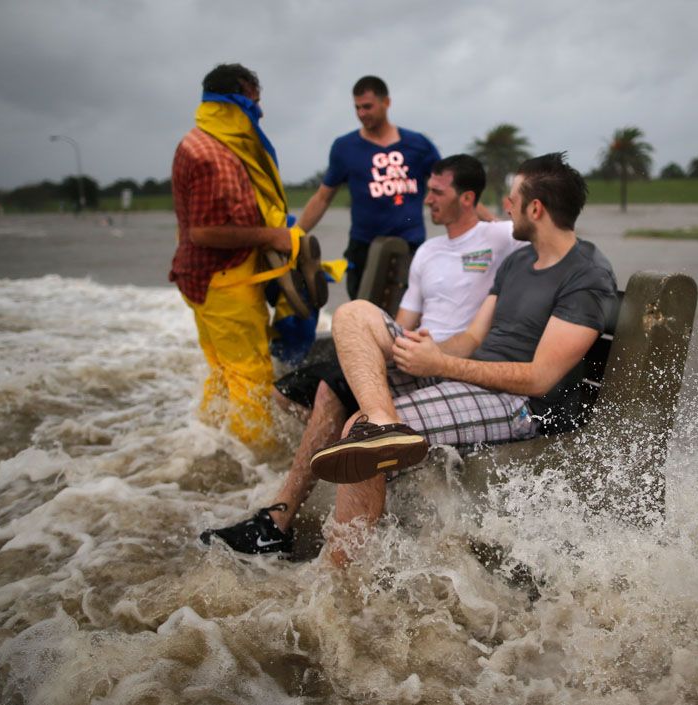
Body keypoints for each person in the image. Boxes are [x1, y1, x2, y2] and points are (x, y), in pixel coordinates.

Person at [200, 154, 523, 554]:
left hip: (450, 360)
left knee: (330, 396)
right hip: (411, 351)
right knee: (289, 388)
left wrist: (494, 215)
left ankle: (279, 519)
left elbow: (546, 230)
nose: (426, 200)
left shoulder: (499, 237)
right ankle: (301, 494)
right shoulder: (427, 252)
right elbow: (402, 320)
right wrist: (390, 347)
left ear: (468, 198)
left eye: (437, 192)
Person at [311, 152, 618, 565]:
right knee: (354, 315)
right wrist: (428, 352)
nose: (504, 208)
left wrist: (442, 366)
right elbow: (473, 337)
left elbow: (540, 379)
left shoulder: (586, 276)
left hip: (521, 406)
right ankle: (385, 424)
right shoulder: (518, 261)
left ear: (535, 208)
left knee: (356, 429)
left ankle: (343, 583)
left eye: (511, 199)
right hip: (469, 380)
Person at [170, 63, 319, 451]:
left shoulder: (202, 142)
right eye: (256, 101)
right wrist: (274, 235)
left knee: (223, 372)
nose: (261, 112)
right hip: (224, 281)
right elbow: (204, 231)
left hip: (203, 279)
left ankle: (211, 442)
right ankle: (256, 464)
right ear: (240, 96)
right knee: (250, 374)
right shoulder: (214, 155)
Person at [295, 76, 442, 300]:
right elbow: (323, 197)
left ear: (386, 103)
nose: (361, 113)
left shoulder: (418, 144)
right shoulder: (345, 147)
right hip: (365, 249)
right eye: (357, 108)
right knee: (363, 317)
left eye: (367, 106)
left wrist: (489, 222)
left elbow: (450, 187)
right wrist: (294, 236)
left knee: (408, 317)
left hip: (410, 247)